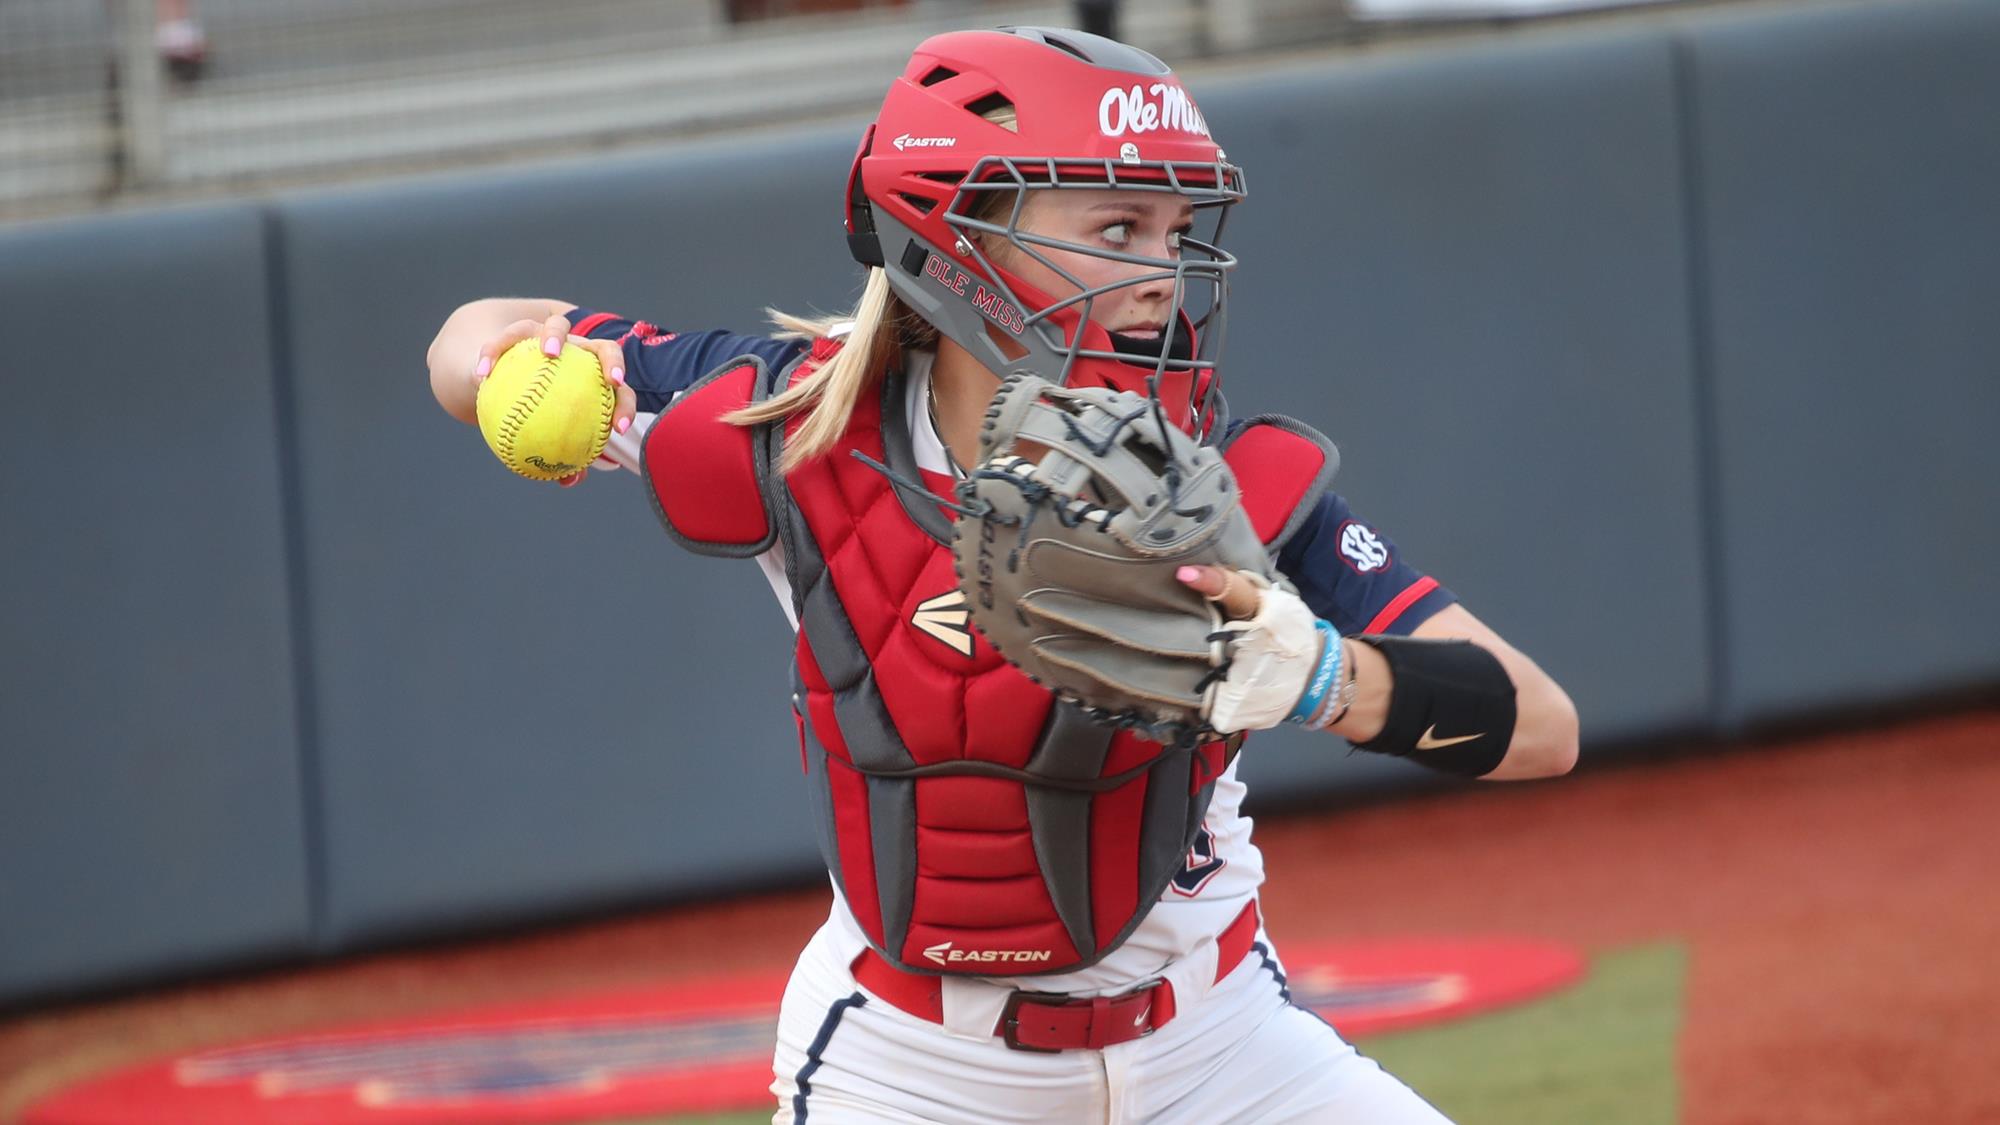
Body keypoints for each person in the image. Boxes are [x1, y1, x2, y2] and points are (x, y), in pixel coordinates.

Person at [427, 26, 1577, 1124]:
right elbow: (474, 335)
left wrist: (1321, 679)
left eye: (1175, 236)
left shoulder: (1215, 481)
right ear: (956, 234)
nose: (1158, 277)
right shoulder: (794, 423)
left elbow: (1540, 724)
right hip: (911, 1073)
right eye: (1115, 229)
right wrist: (494, 373)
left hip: (1221, 1052)